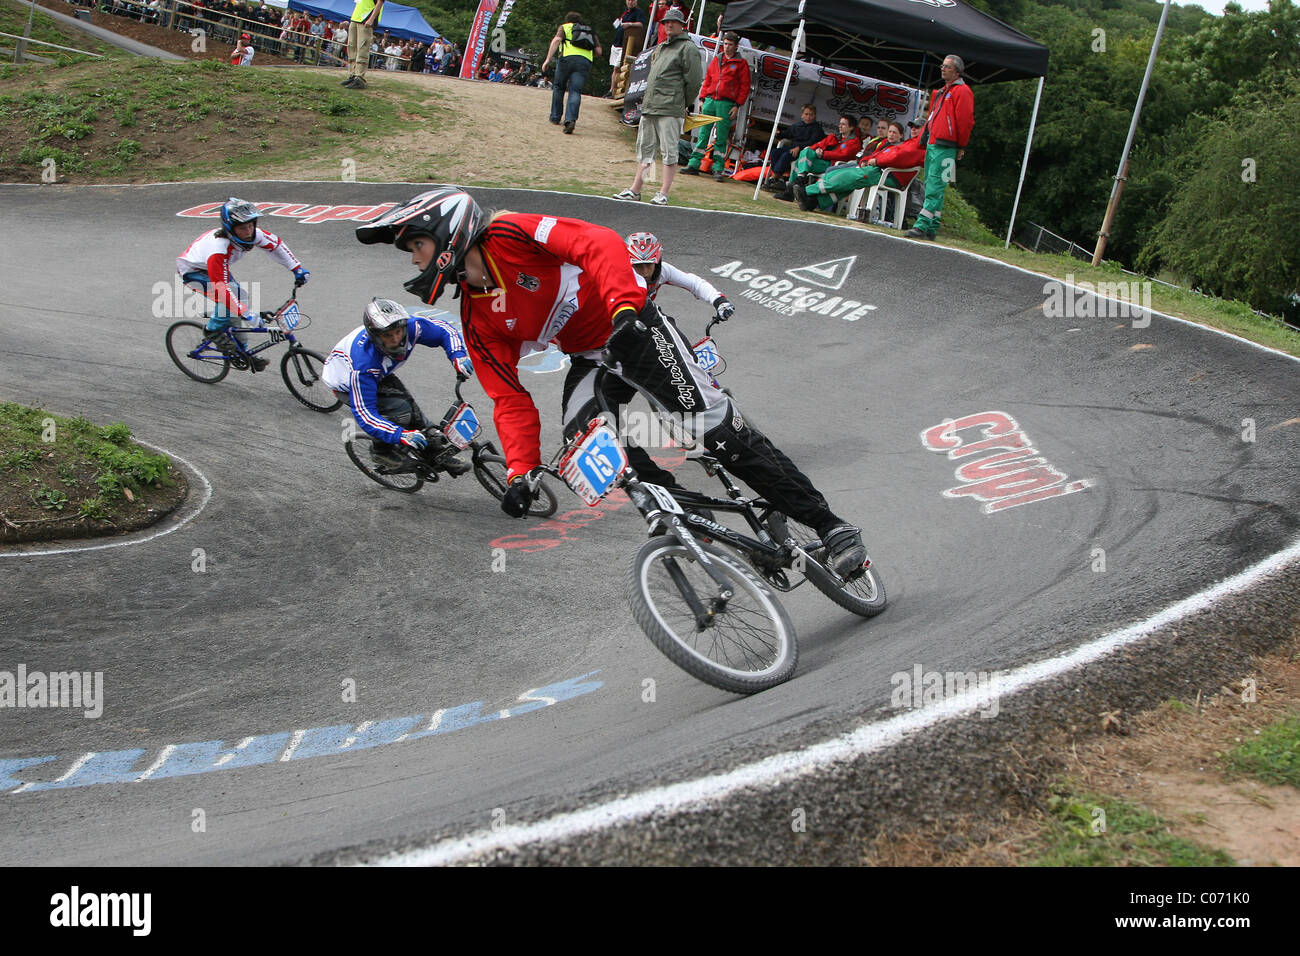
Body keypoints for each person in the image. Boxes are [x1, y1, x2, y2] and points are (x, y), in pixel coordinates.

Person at [354, 187, 869, 577]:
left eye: (416, 246)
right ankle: (684, 514)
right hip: (588, 358)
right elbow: (507, 397)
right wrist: (519, 473)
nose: (415, 261)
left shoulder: (510, 233)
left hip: (633, 328)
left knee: (718, 433)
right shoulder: (475, 316)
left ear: (446, 235)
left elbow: (595, 242)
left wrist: (624, 301)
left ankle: (831, 526)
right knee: (582, 445)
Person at [323, 297, 474, 473]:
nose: (396, 339)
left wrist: (458, 355)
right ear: (375, 337)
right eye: (387, 335)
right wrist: (401, 435)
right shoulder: (363, 367)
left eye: (398, 331)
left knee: (413, 409)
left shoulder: (410, 327)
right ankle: (382, 452)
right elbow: (365, 414)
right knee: (400, 410)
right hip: (346, 382)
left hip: (379, 372)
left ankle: (434, 454)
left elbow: (444, 330)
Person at [175, 198, 310, 373]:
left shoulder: (254, 233)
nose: (248, 232)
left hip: (213, 268)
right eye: (242, 228)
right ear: (230, 228)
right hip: (193, 271)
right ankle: (213, 330)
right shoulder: (219, 249)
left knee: (240, 298)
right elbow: (221, 289)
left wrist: (297, 268)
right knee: (233, 300)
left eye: (250, 225)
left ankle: (243, 351)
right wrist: (246, 313)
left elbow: (276, 245)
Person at [612, 7, 702, 207]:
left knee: (670, 151)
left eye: (673, 22)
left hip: (671, 107)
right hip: (651, 105)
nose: (669, 25)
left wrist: (681, 102)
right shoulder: (660, 47)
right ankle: (637, 189)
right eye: (666, 22)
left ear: (682, 25)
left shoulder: (688, 49)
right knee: (646, 150)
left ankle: (663, 192)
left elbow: (694, 82)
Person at [906, 54, 973, 241]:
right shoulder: (944, 91)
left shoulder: (962, 91)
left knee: (935, 185)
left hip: (946, 146)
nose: (942, 69)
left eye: (947, 67)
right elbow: (933, 116)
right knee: (935, 184)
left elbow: (966, 121)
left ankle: (921, 225)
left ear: (957, 71)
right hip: (935, 143)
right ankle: (932, 226)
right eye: (942, 66)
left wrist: (961, 145)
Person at [798, 121, 921, 215]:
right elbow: (882, 154)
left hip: (889, 175)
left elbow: (896, 157)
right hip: (880, 170)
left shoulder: (918, 146)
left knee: (847, 176)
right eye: (912, 127)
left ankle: (808, 191)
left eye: (918, 128)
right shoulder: (910, 143)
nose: (914, 130)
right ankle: (814, 202)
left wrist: (876, 161)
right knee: (844, 178)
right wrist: (867, 160)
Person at [682, 31, 751, 182]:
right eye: (725, 44)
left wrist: (737, 105)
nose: (727, 47)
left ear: (736, 46)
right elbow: (708, 79)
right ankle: (693, 164)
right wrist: (701, 98)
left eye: (730, 44)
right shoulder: (717, 59)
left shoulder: (741, 64)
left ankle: (718, 169)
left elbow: (745, 86)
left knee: (721, 137)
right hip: (710, 100)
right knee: (703, 134)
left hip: (726, 103)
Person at [626, 232, 734, 319]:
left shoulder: (663, 270)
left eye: (649, 265)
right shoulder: (621, 277)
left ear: (657, 262)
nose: (645, 272)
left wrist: (719, 301)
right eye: (638, 266)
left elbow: (695, 284)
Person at [773, 114, 860, 202]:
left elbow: (844, 156)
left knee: (801, 160)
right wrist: (811, 150)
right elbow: (817, 145)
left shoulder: (855, 142)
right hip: (821, 162)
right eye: (840, 123)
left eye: (843, 124)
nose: (840, 126)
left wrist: (823, 154)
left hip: (833, 166)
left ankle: (793, 188)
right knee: (806, 151)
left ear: (851, 127)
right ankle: (798, 181)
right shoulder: (833, 137)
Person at [543, 11, 602, 135]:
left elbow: (557, 40)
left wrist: (548, 59)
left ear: (568, 20)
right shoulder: (590, 31)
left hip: (566, 59)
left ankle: (555, 117)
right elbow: (598, 51)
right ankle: (570, 120)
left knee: (559, 87)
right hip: (584, 62)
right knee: (575, 91)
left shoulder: (565, 27)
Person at [763, 104, 824, 192]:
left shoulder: (817, 128)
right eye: (806, 114)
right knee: (775, 152)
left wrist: (799, 147)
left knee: (786, 155)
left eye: (811, 114)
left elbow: (813, 143)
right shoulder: (797, 125)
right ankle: (778, 178)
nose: (808, 117)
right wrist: (779, 133)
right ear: (802, 115)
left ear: (814, 116)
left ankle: (773, 178)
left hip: (805, 151)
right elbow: (787, 133)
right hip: (793, 148)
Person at [343, 0, 384, 89]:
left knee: (362, 47)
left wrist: (371, 19)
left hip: (365, 19)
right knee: (351, 46)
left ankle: (359, 77)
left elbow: (380, 2)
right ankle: (352, 74)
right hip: (355, 18)